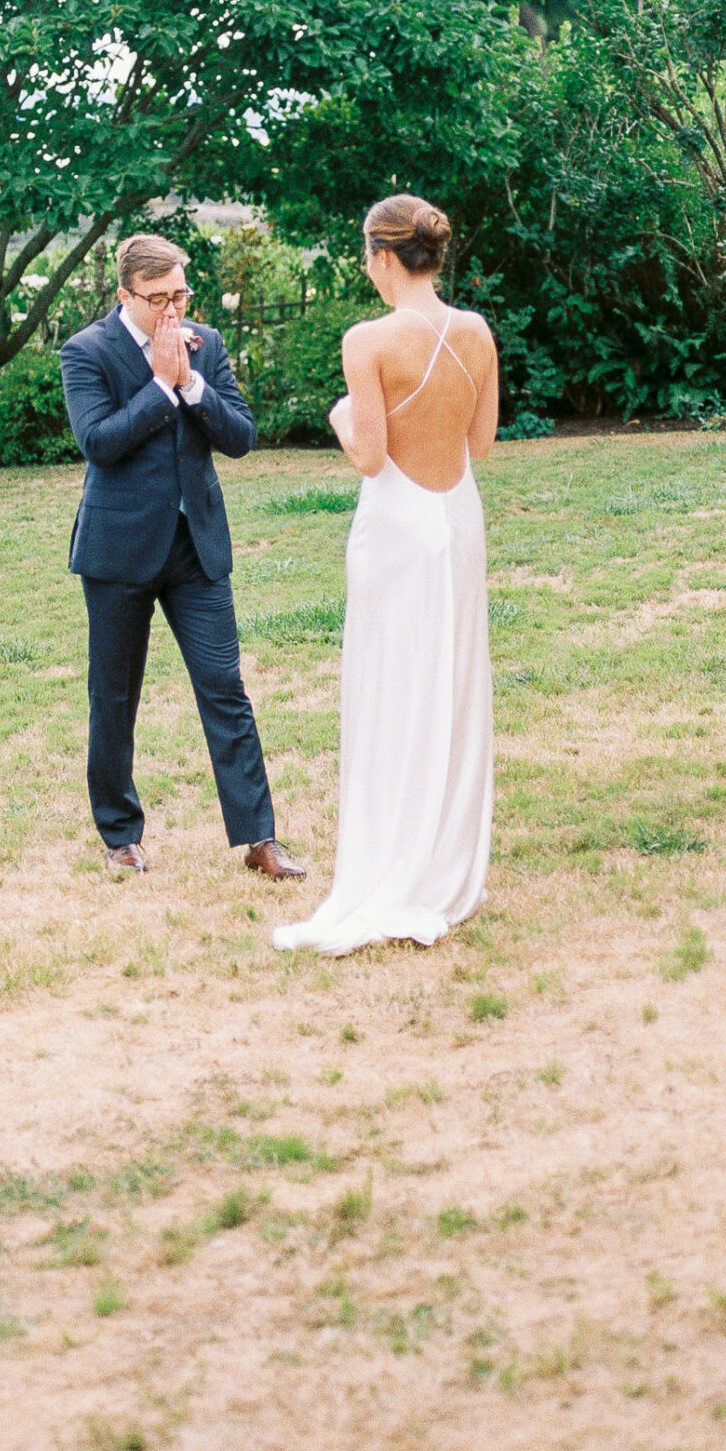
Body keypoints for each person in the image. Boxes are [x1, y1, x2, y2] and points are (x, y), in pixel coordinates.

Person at [273, 194, 497, 957]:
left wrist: (341, 416)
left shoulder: (367, 340)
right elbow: (482, 441)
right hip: (458, 517)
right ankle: (446, 864)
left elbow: (370, 455)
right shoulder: (477, 332)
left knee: (392, 684)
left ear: (381, 255)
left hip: (399, 525)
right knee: (452, 679)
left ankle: (393, 861)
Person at [59, 233, 303, 882]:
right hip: (118, 551)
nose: (173, 310)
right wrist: (161, 387)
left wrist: (191, 382)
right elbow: (99, 442)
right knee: (114, 696)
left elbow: (241, 436)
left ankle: (259, 838)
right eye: (158, 298)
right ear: (125, 295)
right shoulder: (86, 351)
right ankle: (120, 836)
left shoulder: (206, 345)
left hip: (196, 548)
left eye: (181, 295)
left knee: (225, 687)